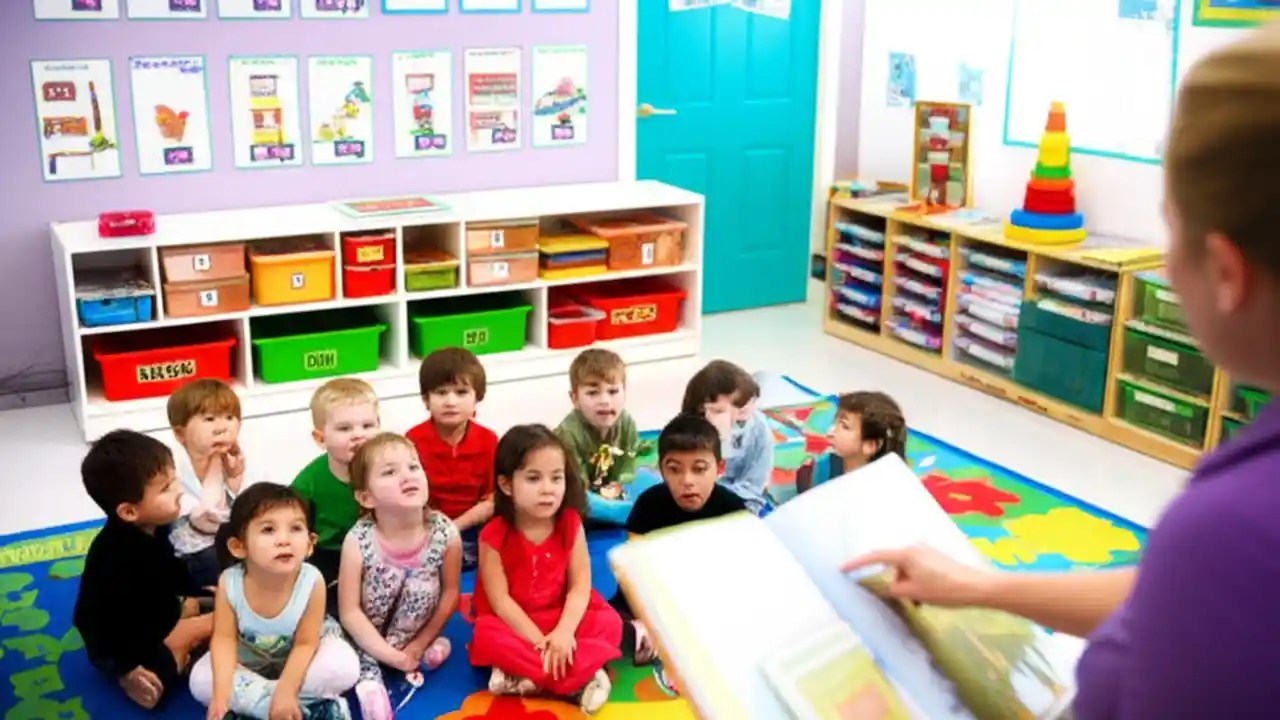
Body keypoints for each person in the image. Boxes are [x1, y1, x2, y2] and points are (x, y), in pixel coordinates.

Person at [844, 25, 1280, 717]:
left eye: (1172, 230)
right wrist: (984, 588)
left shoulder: (1234, 528)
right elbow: (1176, 594)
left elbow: (1216, 576)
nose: (1166, 265)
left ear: (1227, 271)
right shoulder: (1233, 544)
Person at [469, 424, 621, 714]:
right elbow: (500, 604)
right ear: (506, 485)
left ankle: (528, 678)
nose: (548, 489)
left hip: (560, 613)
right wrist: (543, 645)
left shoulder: (569, 523)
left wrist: (564, 633)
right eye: (533, 478)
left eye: (556, 478)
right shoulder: (492, 536)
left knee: (610, 623)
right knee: (486, 636)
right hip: (517, 624)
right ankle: (581, 679)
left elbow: (580, 586)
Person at [190, 483, 359, 720]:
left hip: (302, 657)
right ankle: (305, 709)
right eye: (268, 530)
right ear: (239, 547)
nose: (284, 540)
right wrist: (220, 696)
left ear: (310, 544)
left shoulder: (312, 581)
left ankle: (265, 706)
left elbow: (305, 644)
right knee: (201, 681)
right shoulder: (230, 582)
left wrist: (287, 689)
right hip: (250, 660)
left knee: (344, 666)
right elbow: (224, 639)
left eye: (296, 528)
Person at [74, 430, 213, 710]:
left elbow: (170, 569)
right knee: (215, 622)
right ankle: (139, 676)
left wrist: (195, 593)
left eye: (174, 479)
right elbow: (88, 620)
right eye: (165, 488)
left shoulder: (155, 527)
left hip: (153, 614)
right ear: (128, 512)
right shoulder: (115, 557)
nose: (180, 490)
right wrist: (125, 666)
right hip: (121, 644)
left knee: (216, 596)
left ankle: (189, 625)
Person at [338, 433, 461, 720]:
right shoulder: (358, 539)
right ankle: (373, 683)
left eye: (413, 467)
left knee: (420, 584)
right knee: (355, 665)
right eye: (390, 472)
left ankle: (424, 650)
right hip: (367, 636)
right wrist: (390, 656)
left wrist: (418, 644)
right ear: (366, 497)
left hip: (416, 631)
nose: (407, 477)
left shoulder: (445, 532)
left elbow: (451, 594)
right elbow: (349, 612)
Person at [612, 414, 745, 669]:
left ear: (719, 468)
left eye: (699, 469)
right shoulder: (649, 505)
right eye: (674, 469)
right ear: (661, 470)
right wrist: (647, 617)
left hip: (704, 594)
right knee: (604, 620)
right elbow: (634, 569)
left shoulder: (733, 509)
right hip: (654, 596)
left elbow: (736, 573)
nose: (687, 481)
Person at [165, 378, 267, 589]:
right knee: (212, 562)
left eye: (230, 418)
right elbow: (193, 515)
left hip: (229, 538)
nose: (222, 427)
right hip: (189, 548)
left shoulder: (236, 458)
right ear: (180, 433)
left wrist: (234, 482)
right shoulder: (172, 465)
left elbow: (252, 504)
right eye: (210, 419)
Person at [405, 347, 497, 568]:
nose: (450, 401)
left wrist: (456, 526)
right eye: (441, 392)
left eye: (461, 392)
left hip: (476, 528)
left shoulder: (488, 440)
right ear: (426, 399)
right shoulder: (412, 441)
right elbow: (410, 499)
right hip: (427, 530)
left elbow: (493, 500)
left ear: (477, 398)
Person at [291, 378, 380, 587]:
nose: (359, 435)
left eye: (368, 425)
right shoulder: (308, 483)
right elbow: (293, 526)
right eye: (344, 428)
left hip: (380, 547)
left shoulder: (390, 468)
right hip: (330, 554)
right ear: (321, 438)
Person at [555, 349, 640, 522]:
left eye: (613, 391)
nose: (605, 401)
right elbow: (575, 488)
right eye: (593, 393)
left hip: (607, 491)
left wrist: (619, 484)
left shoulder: (627, 423)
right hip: (577, 495)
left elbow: (629, 463)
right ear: (575, 399)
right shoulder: (568, 434)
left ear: (625, 392)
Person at [681, 360, 774, 514]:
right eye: (704, 411)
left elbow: (754, 488)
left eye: (717, 411)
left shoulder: (758, 430)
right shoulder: (686, 432)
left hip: (737, 504)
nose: (708, 416)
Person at [799, 391, 908, 494]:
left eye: (844, 426)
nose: (829, 432)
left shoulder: (888, 490)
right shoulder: (824, 467)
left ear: (870, 445)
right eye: (835, 422)